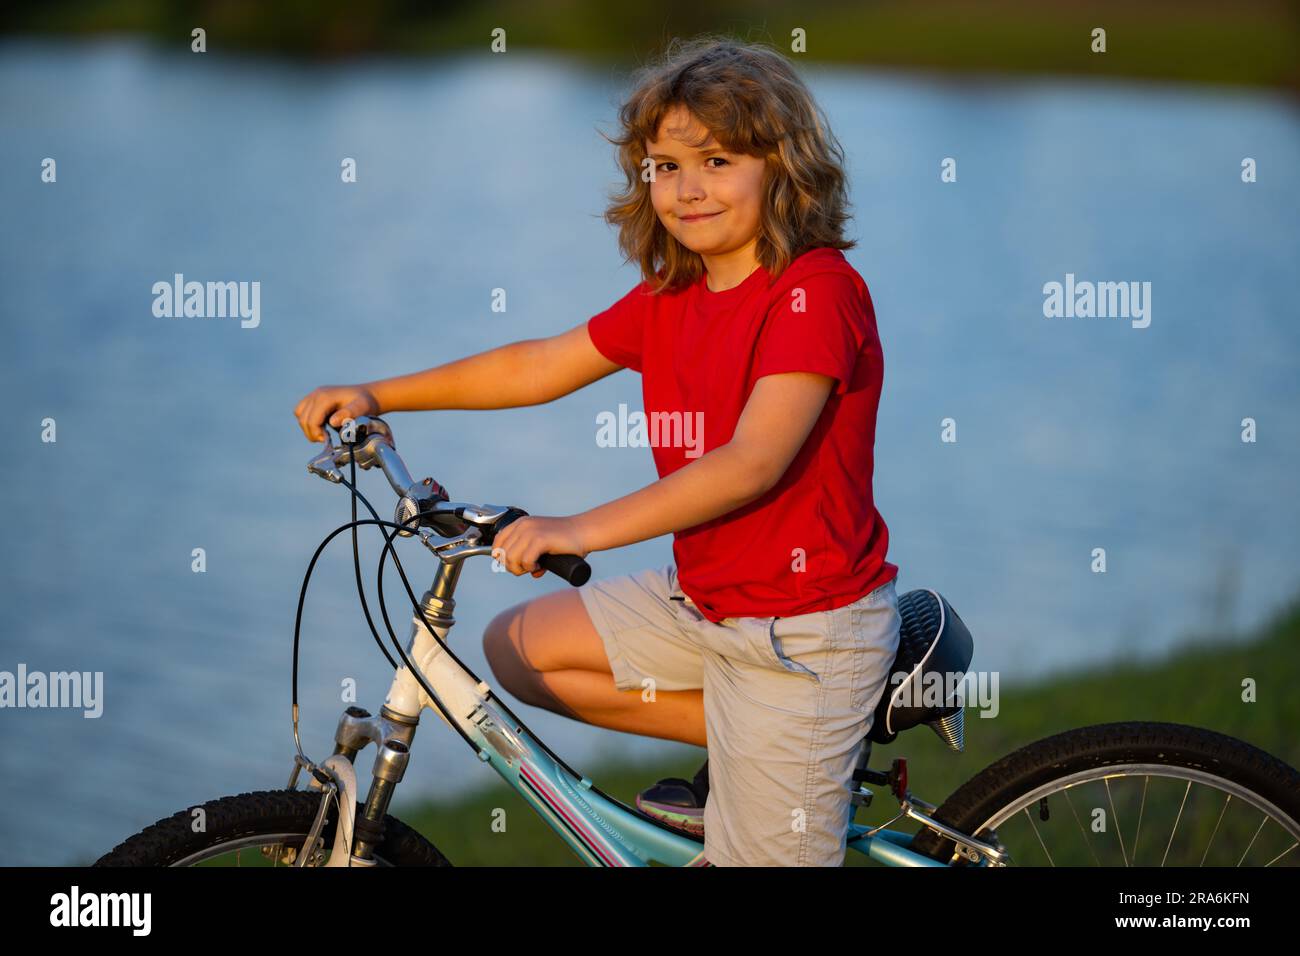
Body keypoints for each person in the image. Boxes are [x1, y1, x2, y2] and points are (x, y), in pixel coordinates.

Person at [293, 34, 901, 867]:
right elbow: (539, 364)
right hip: (707, 601)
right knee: (517, 650)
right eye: (664, 167)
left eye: (718, 161)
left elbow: (751, 461)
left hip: (802, 634)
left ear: (782, 166)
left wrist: (578, 529)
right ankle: (764, 742)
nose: (687, 191)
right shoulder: (673, 292)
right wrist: (380, 394)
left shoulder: (815, 292)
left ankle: (800, 739)